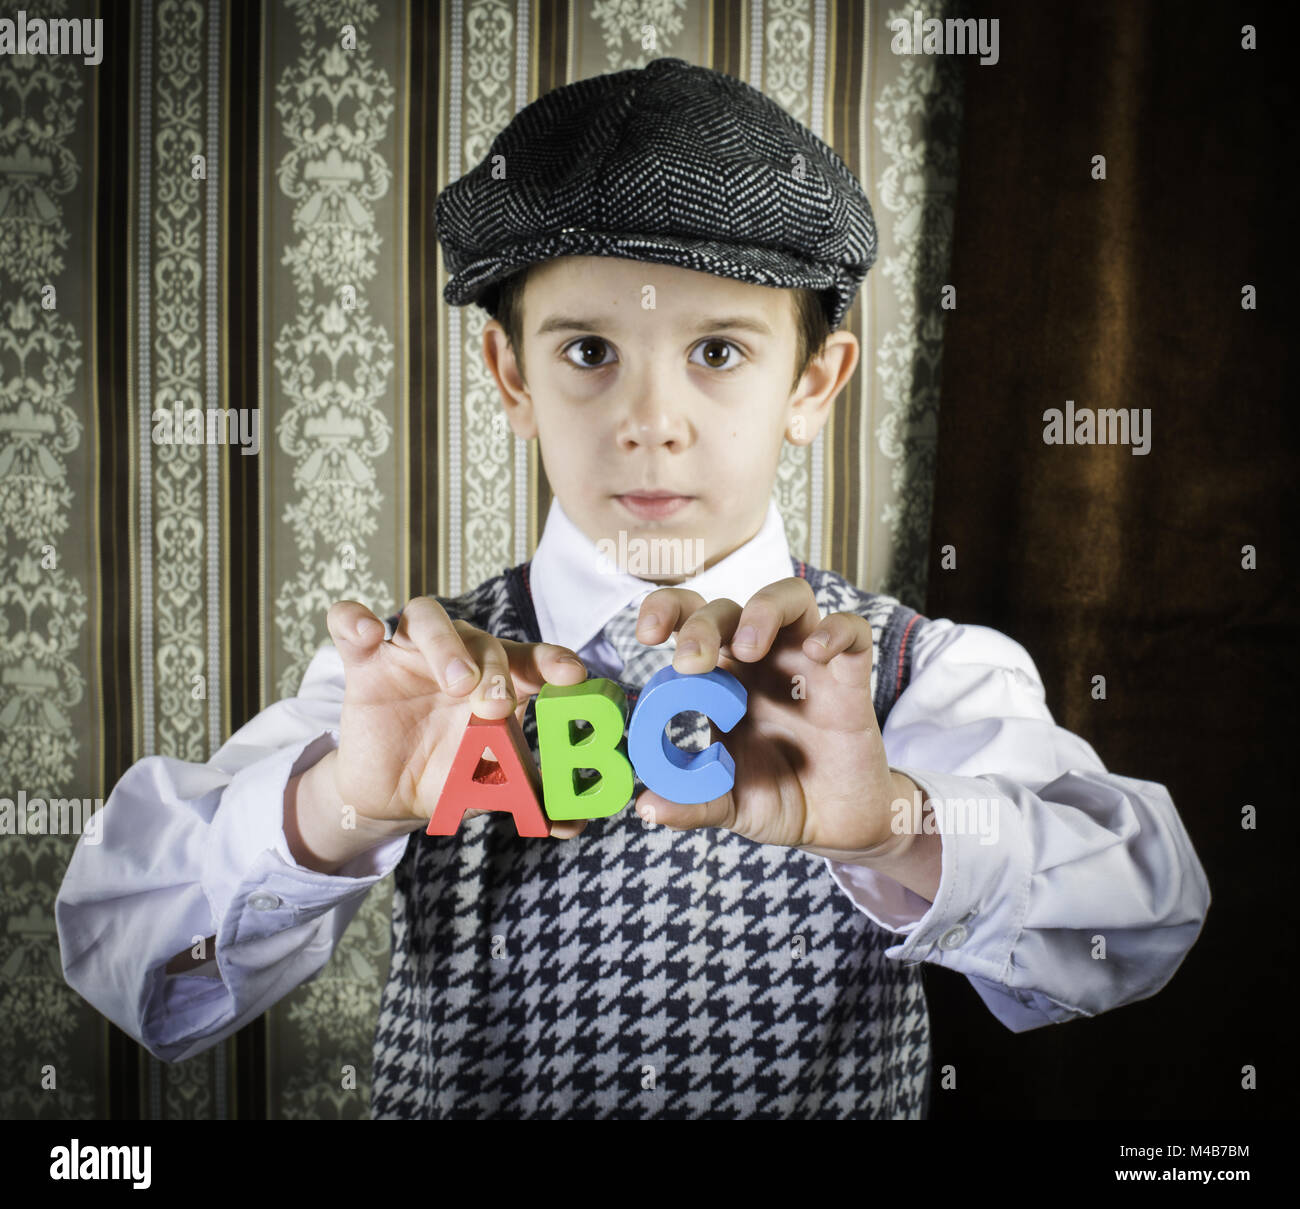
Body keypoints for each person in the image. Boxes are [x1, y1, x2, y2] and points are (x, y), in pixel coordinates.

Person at [55, 57, 1210, 1119]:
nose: (651, 426)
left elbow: (1143, 920)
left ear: (813, 383)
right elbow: (132, 960)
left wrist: (894, 825)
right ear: (511, 373)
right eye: (588, 352)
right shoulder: (408, 685)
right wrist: (331, 811)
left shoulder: (918, 675)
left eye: (718, 352)